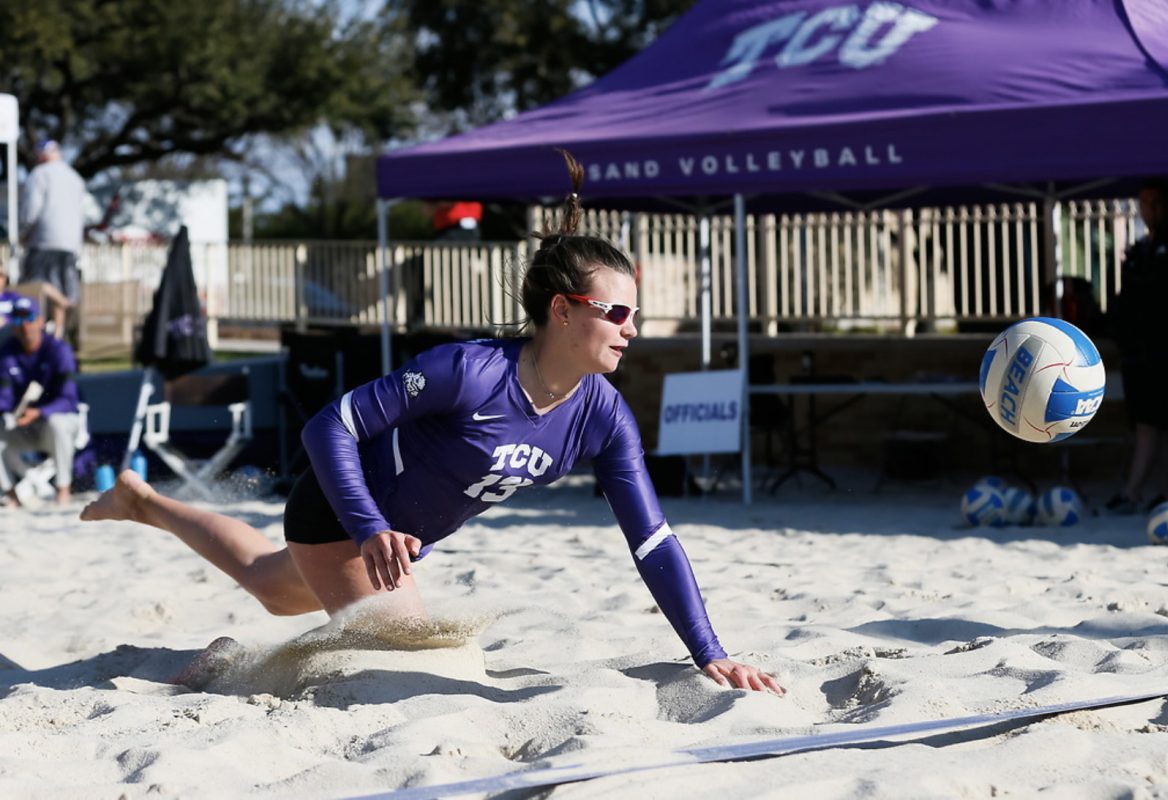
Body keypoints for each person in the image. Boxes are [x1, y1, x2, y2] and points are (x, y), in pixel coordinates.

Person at [81, 153, 783, 694]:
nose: (632, 330)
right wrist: (366, 526)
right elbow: (328, 426)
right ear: (564, 312)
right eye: (618, 313)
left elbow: (653, 541)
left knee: (271, 584)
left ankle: (145, 501)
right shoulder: (470, 371)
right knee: (403, 656)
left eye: (637, 315)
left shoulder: (602, 416)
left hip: (391, 541)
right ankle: (227, 667)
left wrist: (710, 653)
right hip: (342, 511)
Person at [1106, 175, 1168, 513]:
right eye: (1145, 203)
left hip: (1166, 350)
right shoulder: (1139, 250)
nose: (1150, 209)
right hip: (1137, 351)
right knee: (1154, 427)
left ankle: (1132, 491)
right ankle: (1166, 493)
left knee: (1150, 422)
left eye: (1157, 203)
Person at [0, 296, 83, 506]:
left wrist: (38, 412)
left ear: (40, 320)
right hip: (23, 427)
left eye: (29, 318)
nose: (24, 325)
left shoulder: (59, 350)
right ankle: (11, 496)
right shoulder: (7, 353)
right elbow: (4, 398)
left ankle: (63, 490)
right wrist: (9, 414)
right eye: (18, 321)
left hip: (58, 426)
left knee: (57, 422)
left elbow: (69, 400)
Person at [18, 138, 85, 347]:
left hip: (44, 241)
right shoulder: (76, 178)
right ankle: (58, 337)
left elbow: (30, 211)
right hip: (70, 244)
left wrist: (22, 232)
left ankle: (36, 339)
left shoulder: (39, 174)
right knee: (61, 291)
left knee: (38, 287)